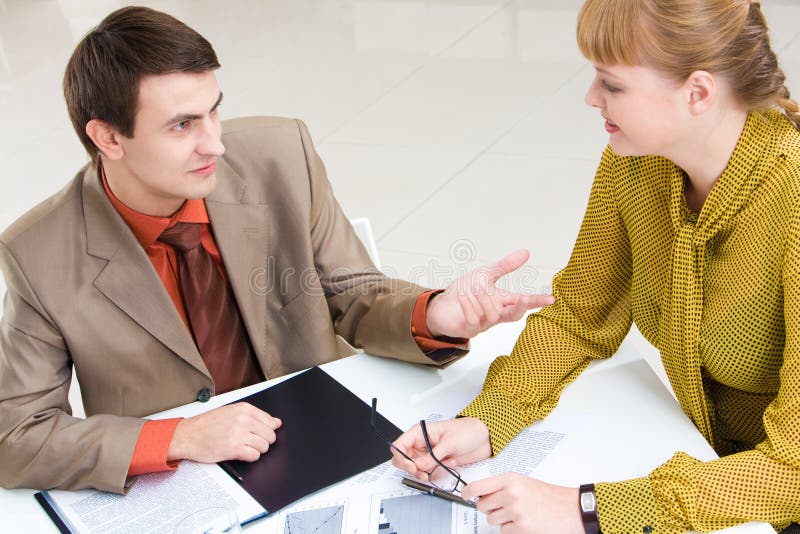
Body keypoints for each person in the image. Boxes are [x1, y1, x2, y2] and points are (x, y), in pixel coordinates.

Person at [0, 6, 554, 494]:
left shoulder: (280, 155)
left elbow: (352, 294)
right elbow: (17, 437)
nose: (214, 142)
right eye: (182, 125)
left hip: (332, 448)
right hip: (182, 484)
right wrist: (181, 436)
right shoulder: (37, 252)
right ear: (108, 139)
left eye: (213, 110)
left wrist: (436, 313)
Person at [391, 0, 800, 532]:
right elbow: (581, 316)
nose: (590, 98)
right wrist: (489, 419)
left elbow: (794, 466)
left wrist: (584, 508)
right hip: (710, 469)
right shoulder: (636, 162)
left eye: (613, 85)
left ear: (698, 93)